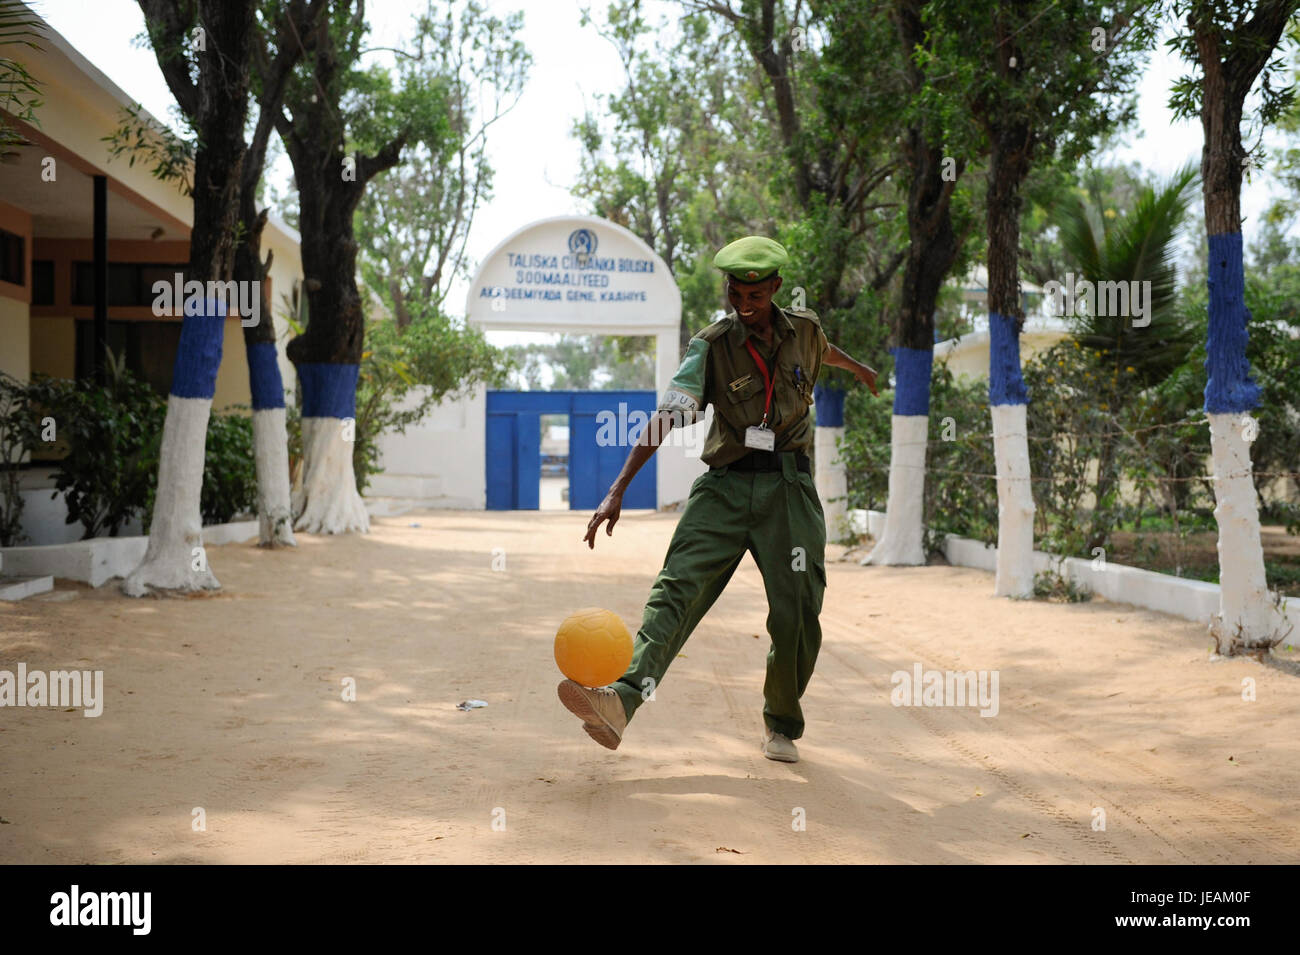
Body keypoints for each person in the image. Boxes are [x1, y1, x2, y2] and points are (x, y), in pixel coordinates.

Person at [558, 235, 878, 763]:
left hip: (789, 491)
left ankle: (781, 723)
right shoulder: (711, 345)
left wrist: (858, 368)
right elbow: (667, 414)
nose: (744, 305)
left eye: (755, 296)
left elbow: (824, 350)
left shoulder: (808, 330)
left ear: (774, 288)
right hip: (724, 489)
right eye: (735, 293)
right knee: (675, 593)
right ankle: (621, 700)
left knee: (797, 613)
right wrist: (618, 488)